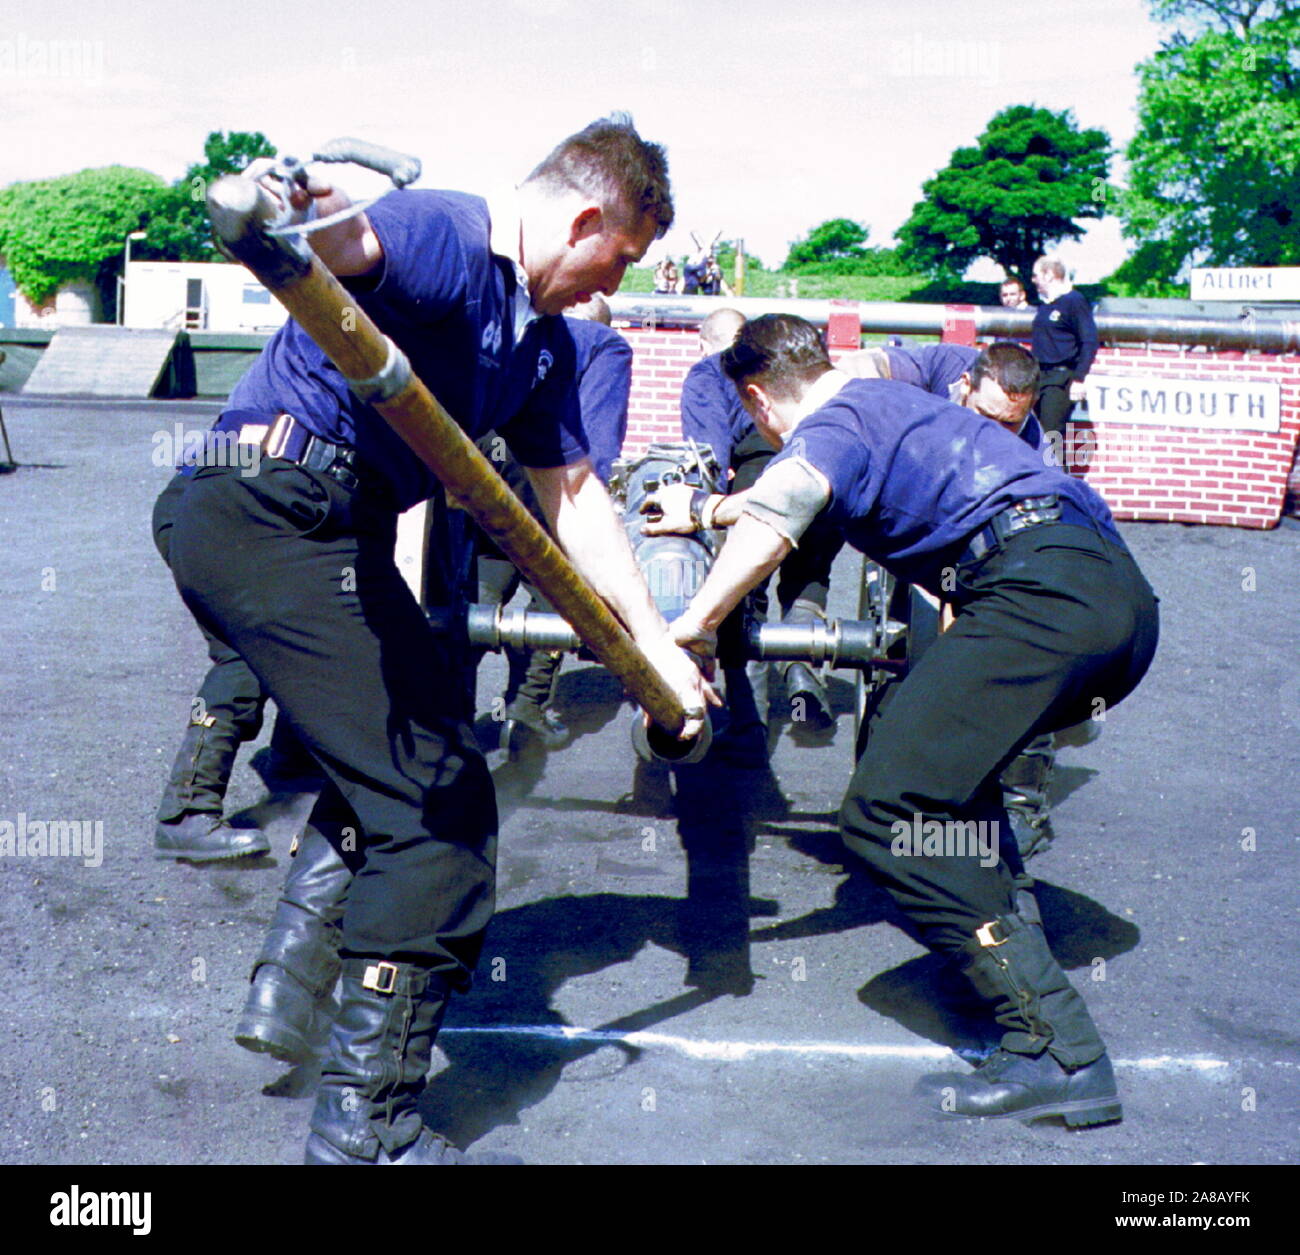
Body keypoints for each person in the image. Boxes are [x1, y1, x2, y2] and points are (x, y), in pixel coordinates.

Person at [166, 114, 711, 1166]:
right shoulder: (450, 233)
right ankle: (365, 1131)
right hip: (268, 506)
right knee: (442, 805)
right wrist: (306, 208)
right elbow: (350, 249)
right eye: (619, 260)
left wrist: (659, 649)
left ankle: (290, 996)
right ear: (587, 214)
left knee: (413, 756)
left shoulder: (543, 344)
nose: (611, 291)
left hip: (324, 528)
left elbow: (578, 496)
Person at [647, 314, 1157, 1124]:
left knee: (887, 809)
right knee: (956, 795)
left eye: (754, 420)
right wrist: (706, 511)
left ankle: (1060, 1045)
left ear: (754, 396)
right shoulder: (886, 404)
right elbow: (790, 494)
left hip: (1039, 594)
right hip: (1110, 594)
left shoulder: (834, 420)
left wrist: (696, 624)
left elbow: (787, 506)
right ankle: (1019, 984)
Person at [839, 341, 1065, 858]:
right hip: (914, 512)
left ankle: (1021, 804)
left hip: (981, 540)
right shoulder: (940, 371)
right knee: (906, 672)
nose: (997, 433)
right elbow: (865, 365)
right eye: (987, 416)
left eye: (1012, 422)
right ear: (965, 386)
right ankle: (882, 804)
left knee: (1026, 651)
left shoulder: (1032, 453)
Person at [677, 309, 840, 752]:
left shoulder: (708, 373)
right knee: (809, 571)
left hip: (758, 472)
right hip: (826, 467)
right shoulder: (787, 367)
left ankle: (749, 726)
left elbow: (706, 453)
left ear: (705, 344)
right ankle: (800, 667)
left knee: (743, 590)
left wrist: (705, 508)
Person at [475, 294, 633, 747]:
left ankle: (450, 707)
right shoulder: (605, 343)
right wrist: (595, 501)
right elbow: (600, 428)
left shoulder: (528, 329)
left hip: (481, 454)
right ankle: (526, 707)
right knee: (556, 583)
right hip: (540, 464)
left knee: (485, 571)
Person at [1031, 256, 1098, 440]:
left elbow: (1089, 341)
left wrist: (1079, 378)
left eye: (1036, 275)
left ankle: (1056, 470)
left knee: (1052, 436)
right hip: (1040, 377)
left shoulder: (1074, 301)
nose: (1033, 280)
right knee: (1036, 436)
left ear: (1050, 275)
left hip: (1060, 379)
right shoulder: (1046, 305)